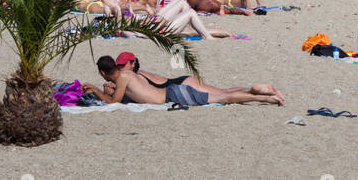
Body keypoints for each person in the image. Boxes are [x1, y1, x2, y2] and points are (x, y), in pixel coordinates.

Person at [83, 55, 283, 106]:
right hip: (173, 91)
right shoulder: (131, 74)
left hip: (174, 95)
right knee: (222, 94)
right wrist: (105, 90)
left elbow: (114, 103)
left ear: (102, 73)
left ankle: (263, 97)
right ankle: (254, 90)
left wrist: (95, 90)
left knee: (223, 99)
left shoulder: (124, 78)